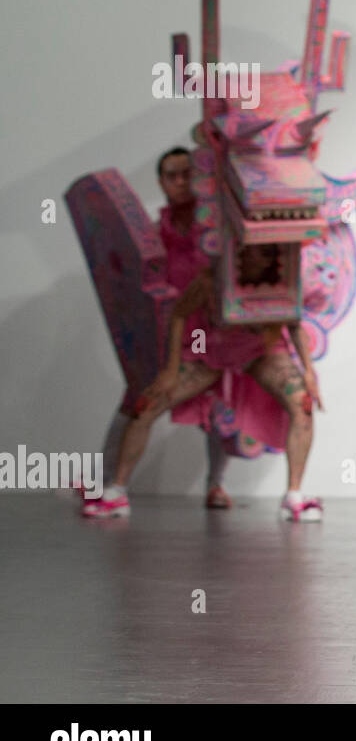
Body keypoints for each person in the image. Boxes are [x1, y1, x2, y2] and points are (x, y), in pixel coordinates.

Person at [83, 162, 325, 522]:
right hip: (207, 346)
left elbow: (293, 322)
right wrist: (168, 371)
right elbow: (181, 313)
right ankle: (114, 491)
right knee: (144, 404)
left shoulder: (285, 267)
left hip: (259, 350)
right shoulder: (217, 268)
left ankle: (293, 496)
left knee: (302, 405)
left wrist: (309, 373)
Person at [89, 148, 233, 511]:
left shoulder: (215, 229)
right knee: (135, 401)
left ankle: (216, 485)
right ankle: (107, 483)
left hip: (206, 335)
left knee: (217, 405)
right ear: (162, 182)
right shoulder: (154, 235)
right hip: (168, 335)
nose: (181, 181)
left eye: (187, 173)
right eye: (173, 175)